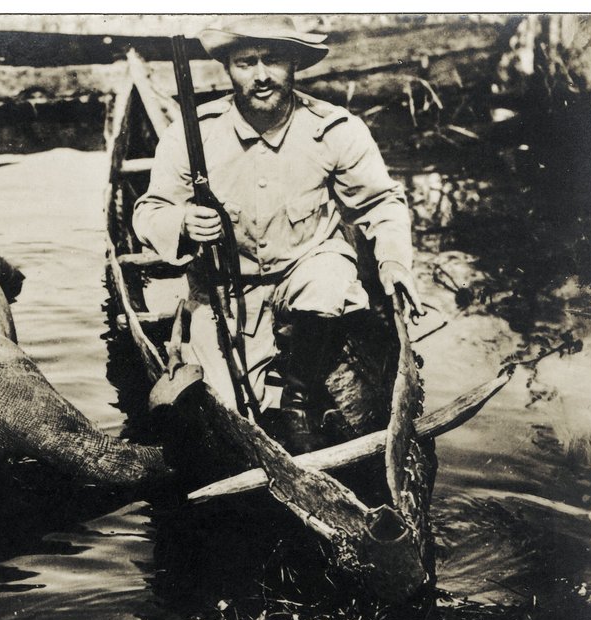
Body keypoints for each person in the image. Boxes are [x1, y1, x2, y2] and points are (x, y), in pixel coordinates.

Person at [132, 16, 421, 453]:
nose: (262, 75)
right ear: (228, 68)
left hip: (304, 279)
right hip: (223, 295)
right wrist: (184, 223)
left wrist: (395, 262)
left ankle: (299, 401)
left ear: (296, 65)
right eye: (246, 62)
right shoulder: (193, 135)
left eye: (274, 60)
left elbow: (381, 203)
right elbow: (147, 212)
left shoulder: (334, 130)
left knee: (331, 274)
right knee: (223, 414)